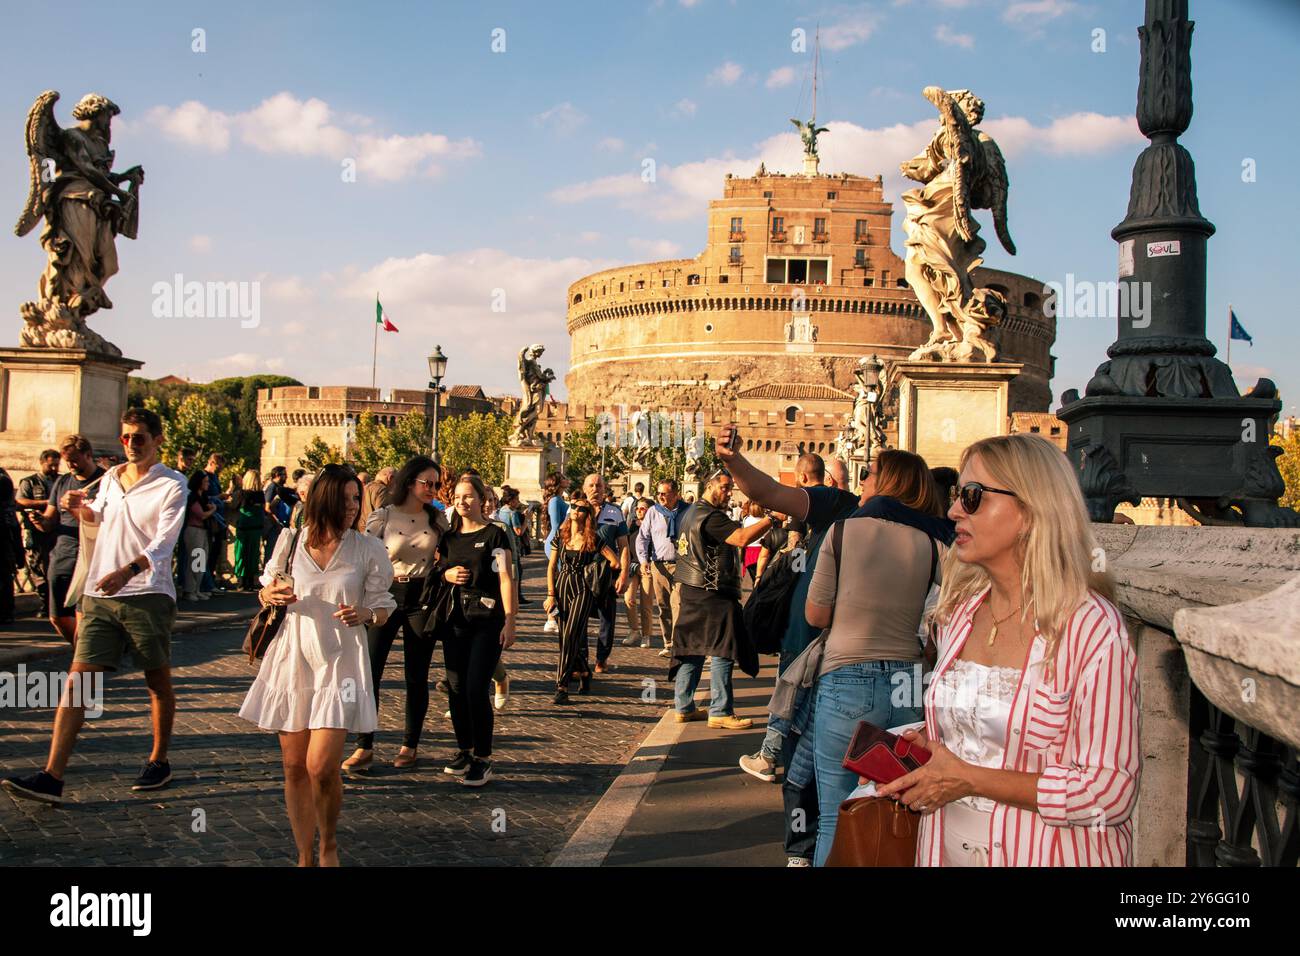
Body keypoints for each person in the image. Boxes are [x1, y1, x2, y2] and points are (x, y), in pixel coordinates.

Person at [875, 434, 1141, 867]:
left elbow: (1108, 794)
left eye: (973, 497)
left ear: (1033, 511)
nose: (954, 509)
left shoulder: (1091, 628)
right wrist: (935, 741)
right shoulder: (962, 612)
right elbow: (986, 736)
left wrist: (969, 779)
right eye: (959, 495)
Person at [2, 408, 187, 804]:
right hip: (100, 593)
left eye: (138, 437)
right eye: (125, 438)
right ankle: (53, 775)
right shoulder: (110, 478)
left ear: (158, 439)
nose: (131, 444)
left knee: (156, 681)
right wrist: (77, 509)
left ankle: (159, 760)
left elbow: (164, 543)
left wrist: (127, 571)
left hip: (147, 594)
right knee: (78, 683)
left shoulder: (173, 483)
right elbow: (98, 518)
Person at [798, 449, 954, 866]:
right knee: (902, 806)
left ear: (885, 482)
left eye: (868, 475)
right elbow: (959, 601)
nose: (863, 482)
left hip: (847, 674)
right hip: (908, 682)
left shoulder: (842, 532)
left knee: (836, 812)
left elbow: (816, 614)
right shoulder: (932, 541)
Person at [237, 464, 394, 865]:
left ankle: (329, 845)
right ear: (322, 499)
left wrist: (365, 613)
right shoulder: (290, 542)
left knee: (321, 765)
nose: (351, 506)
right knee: (293, 767)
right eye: (343, 499)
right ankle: (305, 855)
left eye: (355, 498)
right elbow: (267, 588)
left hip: (340, 660)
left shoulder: (367, 548)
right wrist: (270, 596)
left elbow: (384, 606)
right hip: (293, 656)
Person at [716, 438, 860, 866]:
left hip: (820, 658)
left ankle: (811, 850)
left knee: (814, 767)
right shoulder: (837, 522)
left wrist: (734, 459)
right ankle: (807, 848)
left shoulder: (839, 510)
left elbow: (767, 494)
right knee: (815, 769)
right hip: (819, 657)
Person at [342, 456, 448, 774]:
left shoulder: (437, 519)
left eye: (436, 484)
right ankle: (364, 745)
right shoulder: (383, 516)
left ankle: (409, 745)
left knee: (416, 675)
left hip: (421, 597)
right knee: (370, 671)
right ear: (409, 482)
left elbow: (457, 549)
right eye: (427, 483)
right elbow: (361, 556)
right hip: (385, 595)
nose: (432, 489)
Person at [429, 474, 516, 787]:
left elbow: (505, 577)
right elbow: (435, 570)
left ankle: (483, 756)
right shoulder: (449, 538)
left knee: (476, 687)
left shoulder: (495, 535)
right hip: (456, 620)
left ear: (482, 500)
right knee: (455, 687)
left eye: (468, 497)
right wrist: (446, 574)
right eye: (458, 497)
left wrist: (510, 619)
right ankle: (464, 749)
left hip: (487, 620)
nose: (462, 502)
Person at [670, 468, 774, 729]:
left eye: (730, 489)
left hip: (691, 589)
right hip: (712, 591)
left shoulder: (689, 512)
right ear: (709, 486)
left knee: (691, 648)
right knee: (722, 649)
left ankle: (683, 707)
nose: (728, 493)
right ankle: (720, 710)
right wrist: (771, 519)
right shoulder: (710, 515)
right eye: (724, 487)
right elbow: (741, 538)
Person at [546, 496, 620, 704]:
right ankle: (585, 673)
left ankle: (561, 685)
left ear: (588, 515)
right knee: (565, 638)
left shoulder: (593, 539)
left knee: (570, 635)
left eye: (582, 508)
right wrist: (550, 595)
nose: (576, 510)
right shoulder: (560, 537)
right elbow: (552, 567)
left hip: (582, 589)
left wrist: (595, 570)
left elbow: (614, 562)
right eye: (573, 506)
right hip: (561, 588)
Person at [33, 436, 106, 643]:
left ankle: (84, 665)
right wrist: (39, 521)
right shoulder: (63, 482)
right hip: (63, 554)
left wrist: (77, 509)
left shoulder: (105, 482)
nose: (71, 465)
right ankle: (84, 655)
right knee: (57, 617)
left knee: (83, 616)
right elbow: (49, 520)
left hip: (90, 556)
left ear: (88, 455)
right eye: (67, 461)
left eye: (75, 459)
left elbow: (106, 522)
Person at [582, 473, 630, 674]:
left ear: (605, 489)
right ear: (585, 489)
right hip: (582, 572)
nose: (595, 489)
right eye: (591, 485)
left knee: (607, 619)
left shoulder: (615, 512)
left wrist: (624, 574)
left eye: (599, 486)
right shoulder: (576, 510)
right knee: (579, 618)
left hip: (606, 573)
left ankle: (602, 658)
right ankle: (580, 658)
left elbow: (624, 546)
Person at [637, 478, 690, 659]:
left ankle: (678, 644)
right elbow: (643, 537)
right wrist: (643, 560)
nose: (660, 496)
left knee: (678, 604)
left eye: (664, 493)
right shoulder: (653, 512)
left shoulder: (688, 511)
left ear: (675, 494)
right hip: (658, 565)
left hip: (682, 565)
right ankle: (668, 643)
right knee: (663, 606)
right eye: (658, 493)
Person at [16, 449, 61, 612]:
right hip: (36, 531)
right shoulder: (30, 482)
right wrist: (47, 503)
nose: (55, 469)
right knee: (39, 568)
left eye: (57, 465)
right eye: (51, 465)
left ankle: (56, 603)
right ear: (42, 463)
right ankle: (45, 603)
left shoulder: (62, 480)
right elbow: (21, 501)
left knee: (58, 568)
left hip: (58, 531)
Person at [620, 497, 655, 648]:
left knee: (646, 603)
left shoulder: (656, 526)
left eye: (643, 509)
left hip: (648, 567)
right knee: (629, 599)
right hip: (633, 567)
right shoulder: (631, 525)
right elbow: (625, 547)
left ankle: (646, 635)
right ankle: (634, 630)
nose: (639, 511)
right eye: (637, 509)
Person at [541, 472, 570, 634]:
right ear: (558, 483)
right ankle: (551, 618)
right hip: (556, 542)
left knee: (560, 580)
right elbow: (557, 524)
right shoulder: (554, 501)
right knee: (557, 580)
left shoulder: (559, 499)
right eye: (564, 478)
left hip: (560, 541)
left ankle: (557, 617)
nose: (568, 480)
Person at [181, 471, 216, 602]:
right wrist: (213, 510)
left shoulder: (203, 497)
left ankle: (197, 589)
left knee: (200, 563)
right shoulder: (193, 497)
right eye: (206, 481)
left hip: (203, 531)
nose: (208, 484)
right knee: (194, 561)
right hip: (194, 531)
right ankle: (189, 590)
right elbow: (201, 515)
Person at [200, 453, 229, 594]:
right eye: (218, 467)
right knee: (203, 554)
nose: (220, 470)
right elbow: (203, 497)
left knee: (214, 553)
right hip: (207, 521)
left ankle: (209, 582)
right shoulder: (203, 476)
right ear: (211, 463)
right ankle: (201, 585)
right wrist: (219, 497)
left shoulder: (215, 478)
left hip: (218, 519)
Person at [234, 469, 265, 591]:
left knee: (241, 554)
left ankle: (241, 581)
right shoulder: (260, 495)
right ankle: (250, 581)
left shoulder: (241, 493)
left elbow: (234, 506)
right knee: (253, 554)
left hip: (243, 527)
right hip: (256, 527)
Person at [262, 466, 290, 565]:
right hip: (272, 525)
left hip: (278, 524)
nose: (286, 477)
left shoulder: (279, 487)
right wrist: (276, 522)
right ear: (278, 475)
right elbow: (267, 507)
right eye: (284, 475)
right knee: (271, 551)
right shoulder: (272, 487)